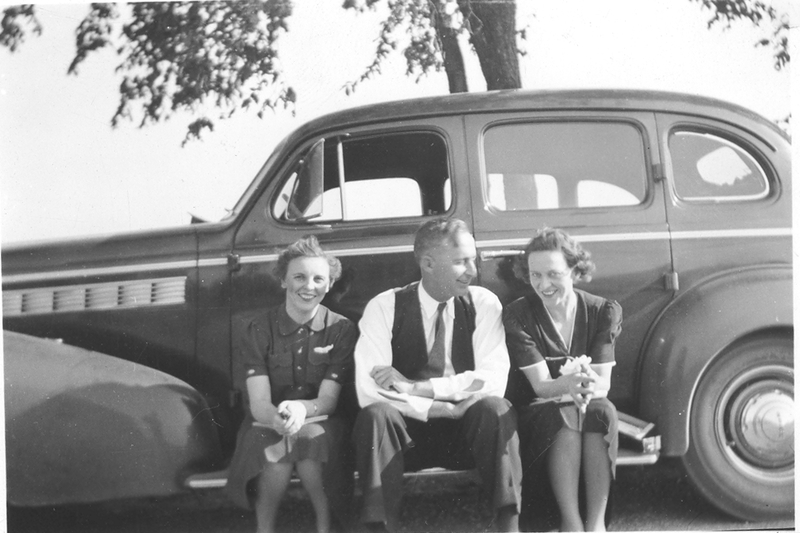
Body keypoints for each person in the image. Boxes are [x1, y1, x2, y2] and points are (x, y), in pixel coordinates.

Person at [353, 218, 522, 532]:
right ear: (427, 263)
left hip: (465, 428)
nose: (472, 270)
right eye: (460, 262)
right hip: (408, 433)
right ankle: (379, 526)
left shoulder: (483, 303)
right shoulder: (384, 306)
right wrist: (434, 407)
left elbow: (492, 379)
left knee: (496, 410)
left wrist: (418, 387)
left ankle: (509, 524)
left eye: (473, 259)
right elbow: (369, 387)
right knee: (376, 415)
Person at [227, 236, 357, 533]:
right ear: (283, 281)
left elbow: (329, 400)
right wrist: (279, 419)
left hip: (321, 417)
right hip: (267, 418)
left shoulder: (341, 329)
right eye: (299, 277)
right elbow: (259, 401)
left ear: (329, 284)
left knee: (310, 440)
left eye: (318, 279)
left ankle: (325, 526)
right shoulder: (258, 329)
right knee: (277, 445)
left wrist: (301, 408)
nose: (308, 286)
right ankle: (265, 528)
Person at [503, 228, 622, 532]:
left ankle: (596, 525)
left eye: (553, 274)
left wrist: (584, 387)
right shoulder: (518, 315)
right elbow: (541, 386)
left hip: (586, 400)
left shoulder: (601, 311)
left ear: (574, 270)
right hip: (540, 410)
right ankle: (570, 522)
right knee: (564, 414)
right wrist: (570, 387)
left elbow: (603, 382)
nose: (543, 284)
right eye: (535, 275)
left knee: (601, 410)